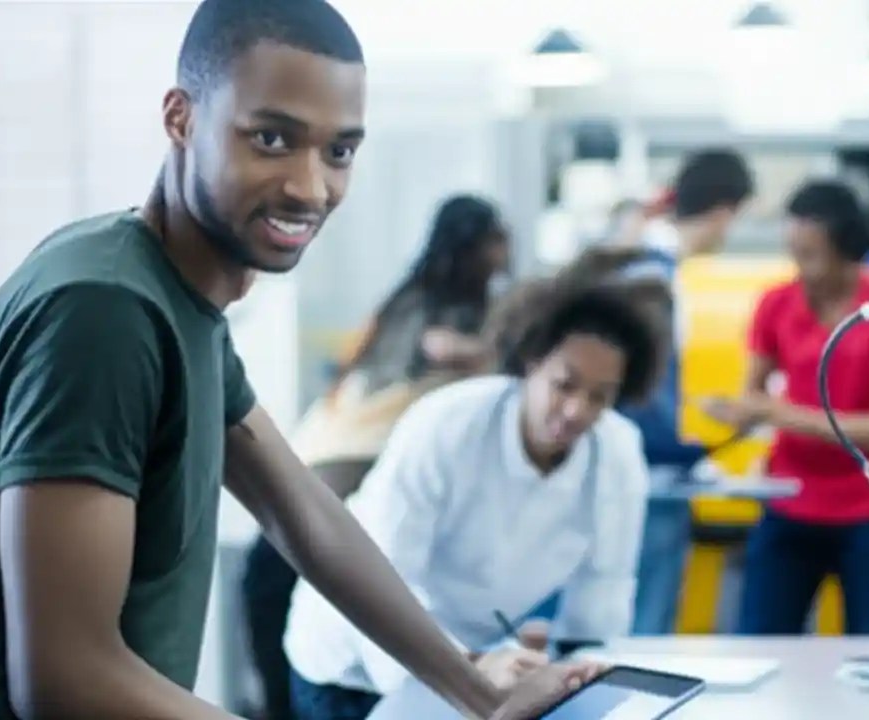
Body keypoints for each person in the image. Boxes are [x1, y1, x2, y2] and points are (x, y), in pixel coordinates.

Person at [0, 2, 595, 719]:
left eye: (338, 152)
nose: (311, 188)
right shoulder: (104, 309)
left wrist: (476, 688)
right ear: (181, 118)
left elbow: (304, 514)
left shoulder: (173, 301)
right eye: (272, 139)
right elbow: (65, 679)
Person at [283, 283, 661, 718]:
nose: (578, 410)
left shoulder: (617, 454)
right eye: (564, 384)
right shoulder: (448, 423)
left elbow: (603, 591)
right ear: (531, 361)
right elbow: (386, 574)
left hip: (470, 667)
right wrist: (472, 669)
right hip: (350, 656)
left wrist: (575, 673)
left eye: (600, 396)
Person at [242, 194, 509, 720]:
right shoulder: (440, 309)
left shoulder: (416, 303)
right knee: (282, 587)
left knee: (275, 587)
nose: (503, 253)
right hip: (339, 466)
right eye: (496, 240)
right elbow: (428, 354)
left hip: (335, 467)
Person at [700, 179, 869, 636]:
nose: (801, 268)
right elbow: (752, 399)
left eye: (812, 255)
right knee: (760, 642)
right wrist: (725, 422)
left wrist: (777, 413)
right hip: (790, 503)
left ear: (846, 248)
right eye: (795, 253)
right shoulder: (776, 304)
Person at [619, 149, 755, 634]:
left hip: (639, 471)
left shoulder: (641, 263)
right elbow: (641, 391)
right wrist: (689, 452)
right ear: (724, 212)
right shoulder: (652, 276)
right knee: (645, 629)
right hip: (647, 479)